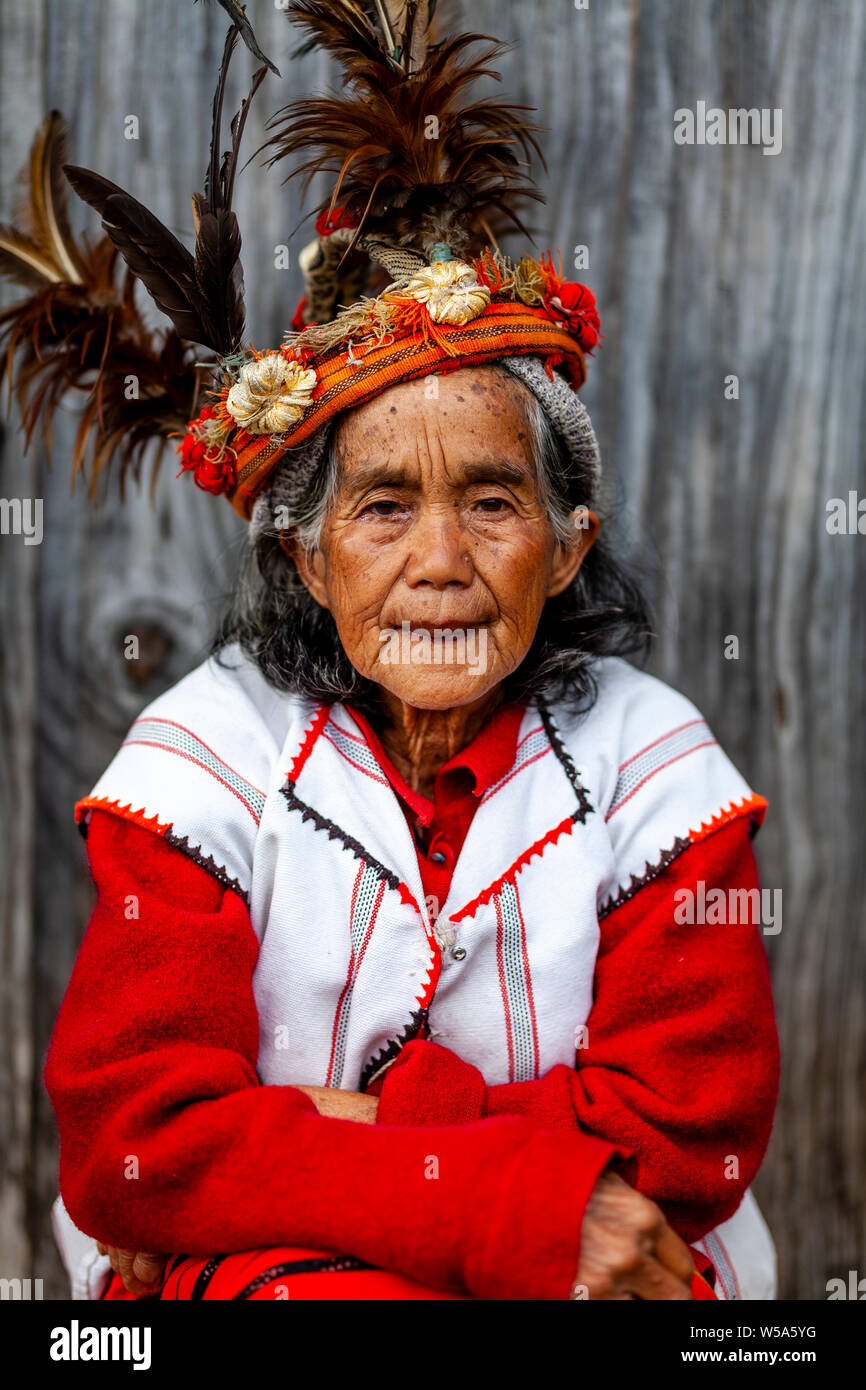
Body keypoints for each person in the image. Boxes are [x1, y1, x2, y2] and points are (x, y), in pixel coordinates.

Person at [3, 2, 779, 1301]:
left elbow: (687, 1138)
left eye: (490, 500)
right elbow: (135, 1152)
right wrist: (515, 1187)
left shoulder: (652, 762)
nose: (437, 560)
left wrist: (327, 1124)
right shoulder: (207, 754)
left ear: (567, 545)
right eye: (380, 507)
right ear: (308, 560)